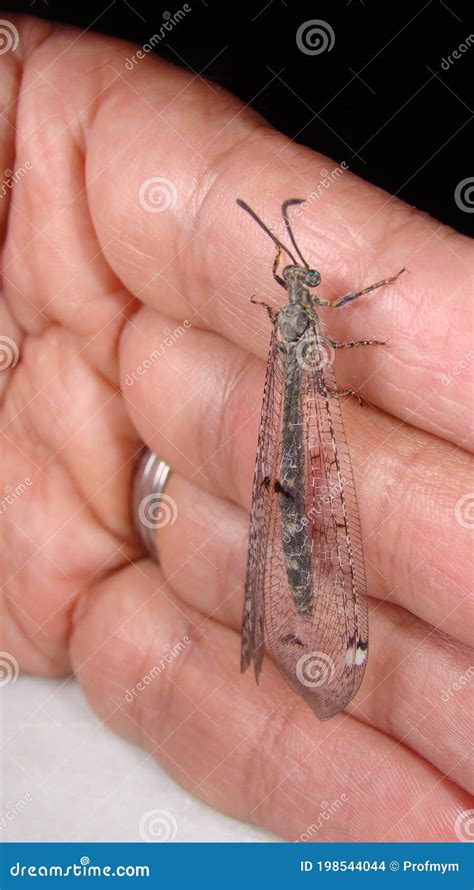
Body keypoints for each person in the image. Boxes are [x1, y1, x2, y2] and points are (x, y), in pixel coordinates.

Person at [1, 16, 472, 842]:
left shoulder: (298, 325)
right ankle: (296, 625)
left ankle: (288, 626)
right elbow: (338, 343)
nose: (306, 286)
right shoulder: (308, 328)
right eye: (304, 284)